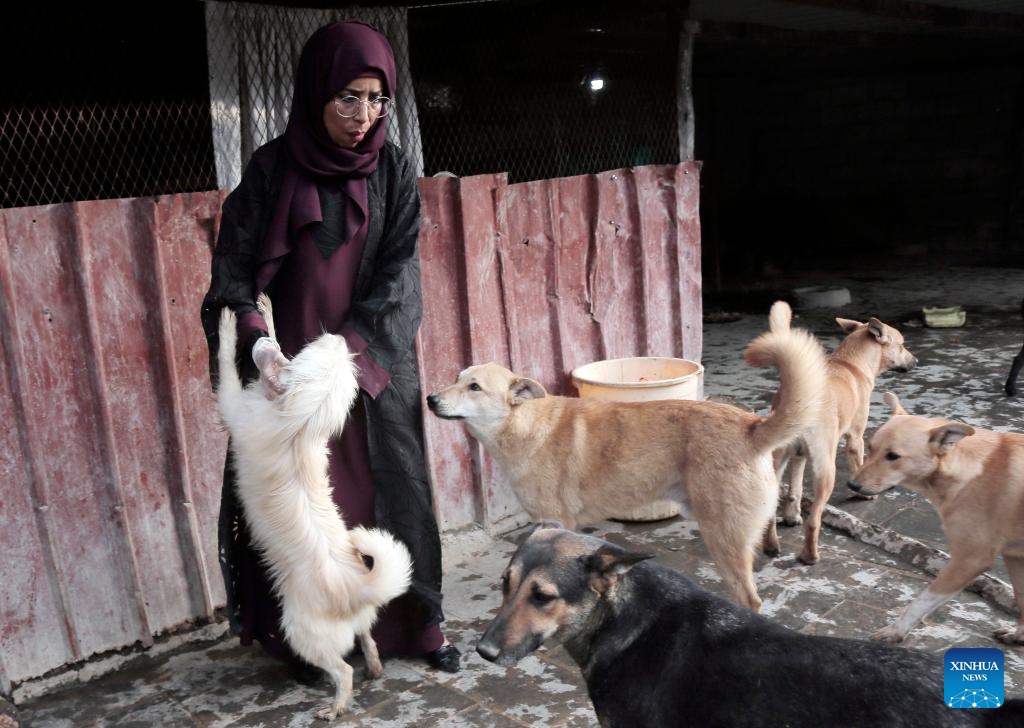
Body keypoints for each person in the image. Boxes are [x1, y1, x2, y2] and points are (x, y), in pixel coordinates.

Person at [199, 20, 460, 679]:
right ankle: (315, 644)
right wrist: (259, 351)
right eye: (348, 97)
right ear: (315, 92)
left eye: (377, 99)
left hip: (370, 368)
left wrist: (344, 358)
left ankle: (416, 628)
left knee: (388, 497)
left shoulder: (395, 169)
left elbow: (401, 275)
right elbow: (230, 281)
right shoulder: (267, 173)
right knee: (305, 513)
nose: (363, 115)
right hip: (288, 381)